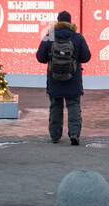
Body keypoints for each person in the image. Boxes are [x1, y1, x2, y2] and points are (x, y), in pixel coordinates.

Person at [35, 11, 91, 145]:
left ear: (58, 21)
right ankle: (74, 134)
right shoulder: (77, 37)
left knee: (55, 106)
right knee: (74, 106)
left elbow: (40, 57)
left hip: (54, 79)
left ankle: (55, 136)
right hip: (73, 79)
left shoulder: (50, 36)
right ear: (70, 22)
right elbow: (86, 57)